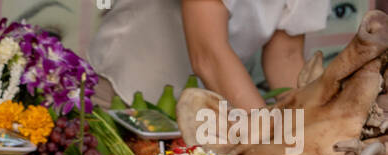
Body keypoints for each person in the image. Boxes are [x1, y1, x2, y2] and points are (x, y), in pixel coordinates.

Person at [91, 0, 331, 107]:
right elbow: (208, 56)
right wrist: (271, 137)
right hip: (122, 96)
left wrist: (310, 129)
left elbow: (286, 55)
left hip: (203, 111)